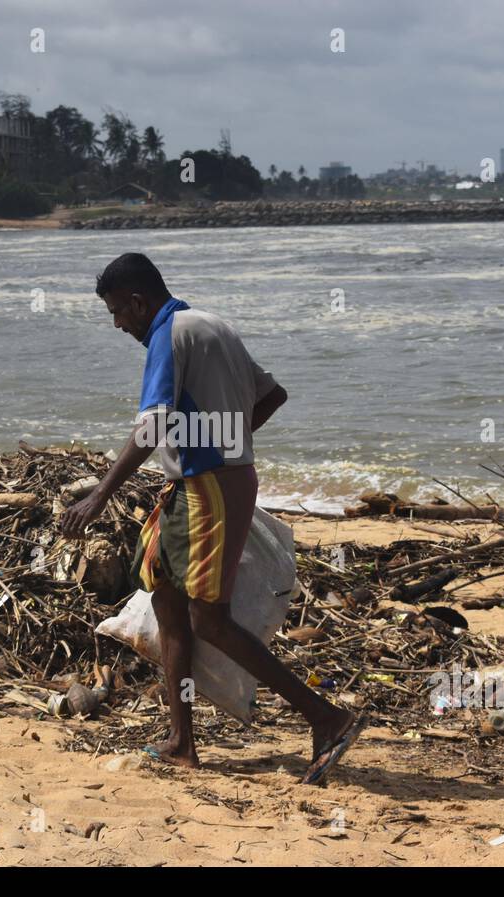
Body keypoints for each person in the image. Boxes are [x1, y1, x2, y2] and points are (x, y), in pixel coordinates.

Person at [60, 252, 364, 784]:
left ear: (138, 301)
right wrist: (225, 444)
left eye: (117, 312)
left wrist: (100, 495)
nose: (117, 325)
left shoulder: (166, 334)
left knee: (209, 620)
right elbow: (272, 395)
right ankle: (181, 741)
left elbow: (152, 425)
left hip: (209, 491)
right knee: (168, 604)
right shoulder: (210, 324)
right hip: (204, 483)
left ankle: (327, 718)